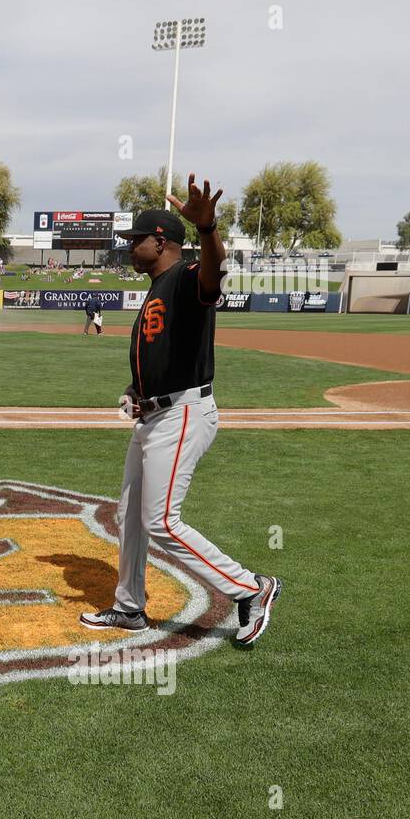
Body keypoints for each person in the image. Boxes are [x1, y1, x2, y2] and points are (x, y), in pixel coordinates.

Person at [79, 177, 282, 646]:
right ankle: (129, 608)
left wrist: (208, 227)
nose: (130, 249)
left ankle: (251, 588)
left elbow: (216, 271)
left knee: (162, 520)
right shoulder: (156, 288)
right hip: (154, 416)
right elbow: (157, 354)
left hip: (184, 413)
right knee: (130, 515)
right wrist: (137, 388)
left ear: (161, 241)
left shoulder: (189, 278)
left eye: (136, 241)